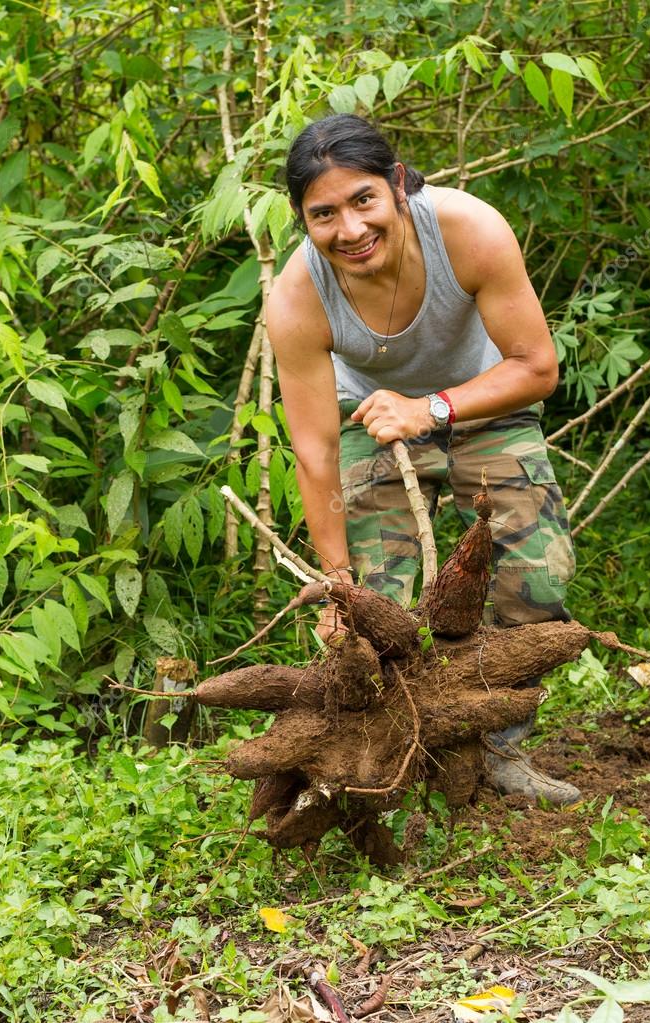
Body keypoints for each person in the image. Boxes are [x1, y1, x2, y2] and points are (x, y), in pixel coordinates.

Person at [267, 114, 580, 805]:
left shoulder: (468, 229)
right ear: (301, 219)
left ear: (399, 184)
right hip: (371, 421)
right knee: (379, 605)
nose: (350, 229)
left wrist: (431, 408)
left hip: (487, 404)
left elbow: (537, 367)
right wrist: (338, 584)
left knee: (538, 582)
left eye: (364, 200)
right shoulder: (296, 296)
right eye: (323, 214)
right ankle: (395, 753)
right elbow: (315, 449)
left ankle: (496, 748)